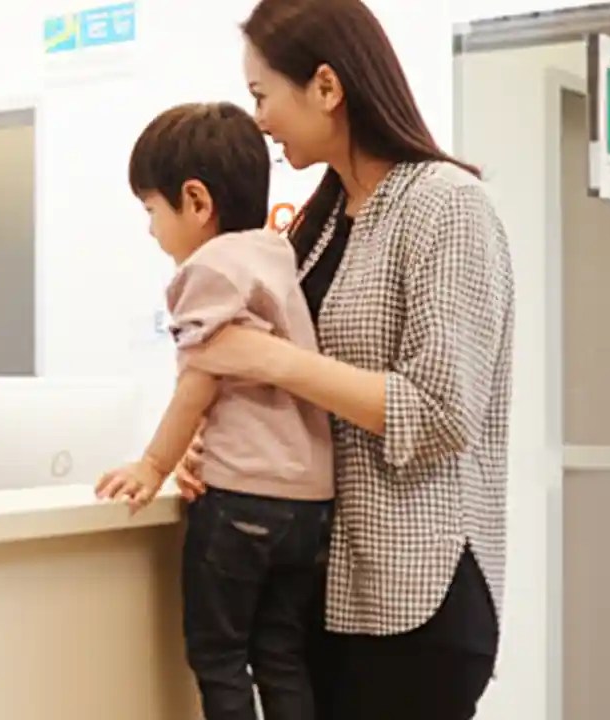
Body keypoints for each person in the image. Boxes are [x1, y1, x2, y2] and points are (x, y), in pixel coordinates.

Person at [176, 1, 514, 718]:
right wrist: (207, 445)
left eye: (263, 95)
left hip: (416, 596)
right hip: (324, 585)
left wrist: (270, 361)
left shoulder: (447, 206)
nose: (258, 119)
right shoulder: (319, 221)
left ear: (326, 87)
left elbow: (442, 412)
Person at [95, 102, 334, 720]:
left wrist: (153, 465)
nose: (150, 230)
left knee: (220, 656)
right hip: (308, 503)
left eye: (151, 209)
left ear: (196, 202)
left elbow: (199, 380)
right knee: (280, 655)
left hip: (242, 500)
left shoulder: (208, 268)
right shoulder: (275, 255)